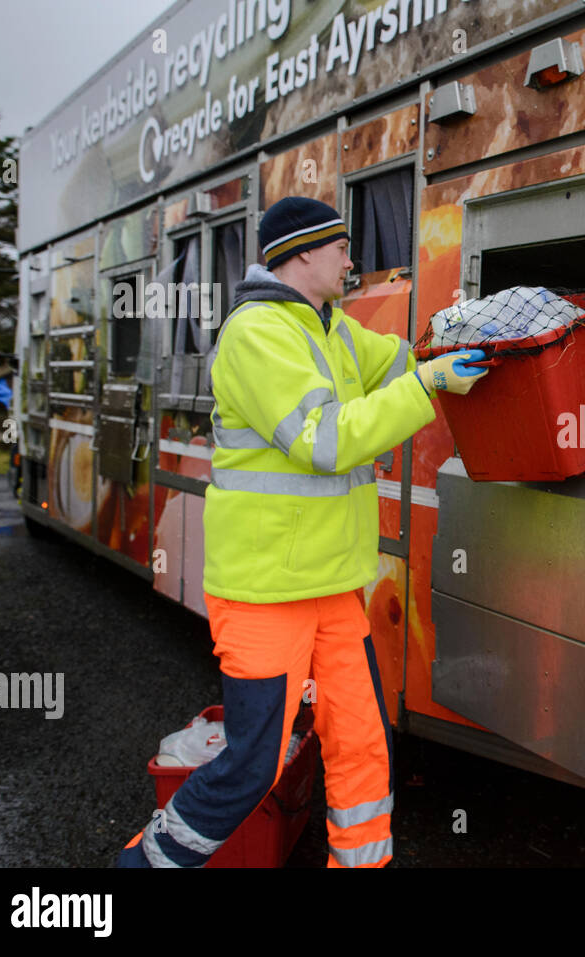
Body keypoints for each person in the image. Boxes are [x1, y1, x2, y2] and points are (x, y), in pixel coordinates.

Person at [117, 196, 488, 867]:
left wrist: (457, 340)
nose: (352, 260)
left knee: (364, 744)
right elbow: (325, 441)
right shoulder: (258, 332)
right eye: (341, 249)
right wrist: (428, 385)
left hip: (333, 587)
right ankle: (143, 865)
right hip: (265, 592)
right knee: (254, 764)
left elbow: (402, 360)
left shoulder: (331, 327)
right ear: (302, 254)